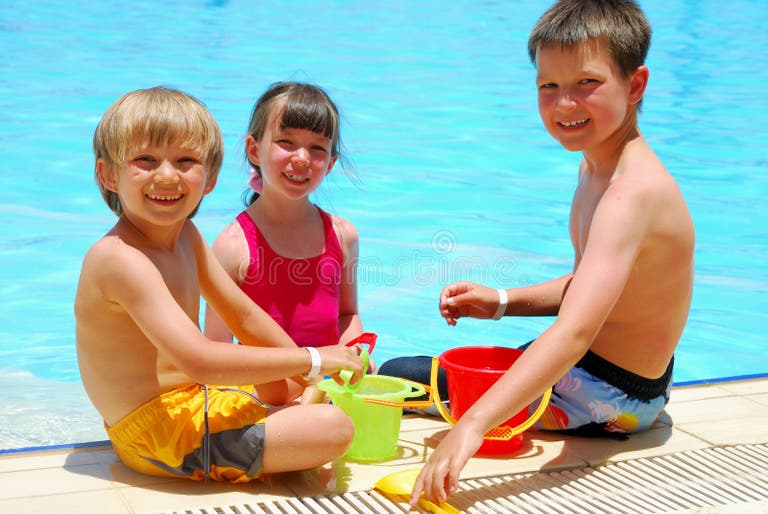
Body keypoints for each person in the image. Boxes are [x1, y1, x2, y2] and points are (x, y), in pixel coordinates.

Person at [409, 0, 695, 505]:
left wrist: (472, 427)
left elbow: (577, 330)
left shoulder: (631, 194)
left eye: (586, 84)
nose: (565, 104)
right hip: (622, 384)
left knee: (408, 378)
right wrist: (502, 301)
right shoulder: (598, 167)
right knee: (456, 368)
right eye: (549, 87)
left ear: (634, 85)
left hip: (608, 396)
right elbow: (595, 287)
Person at [75, 86, 363, 484]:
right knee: (333, 427)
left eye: (185, 161)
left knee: (293, 392)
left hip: (190, 402)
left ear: (208, 178)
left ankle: (287, 418)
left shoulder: (186, 236)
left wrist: (302, 379)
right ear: (107, 174)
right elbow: (201, 360)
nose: (166, 175)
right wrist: (313, 360)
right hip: (154, 435)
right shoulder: (118, 258)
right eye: (145, 160)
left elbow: (243, 314)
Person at [203, 82, 364, 403]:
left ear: (331, 163)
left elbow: (347, 316)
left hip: (328, 388)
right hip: (265, 394)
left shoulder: (343, 235)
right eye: (286, 142)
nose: (302, 158)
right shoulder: (233, 246)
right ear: (254, 151)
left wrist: (354, 355)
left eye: (318, 148)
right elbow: (216, 350)